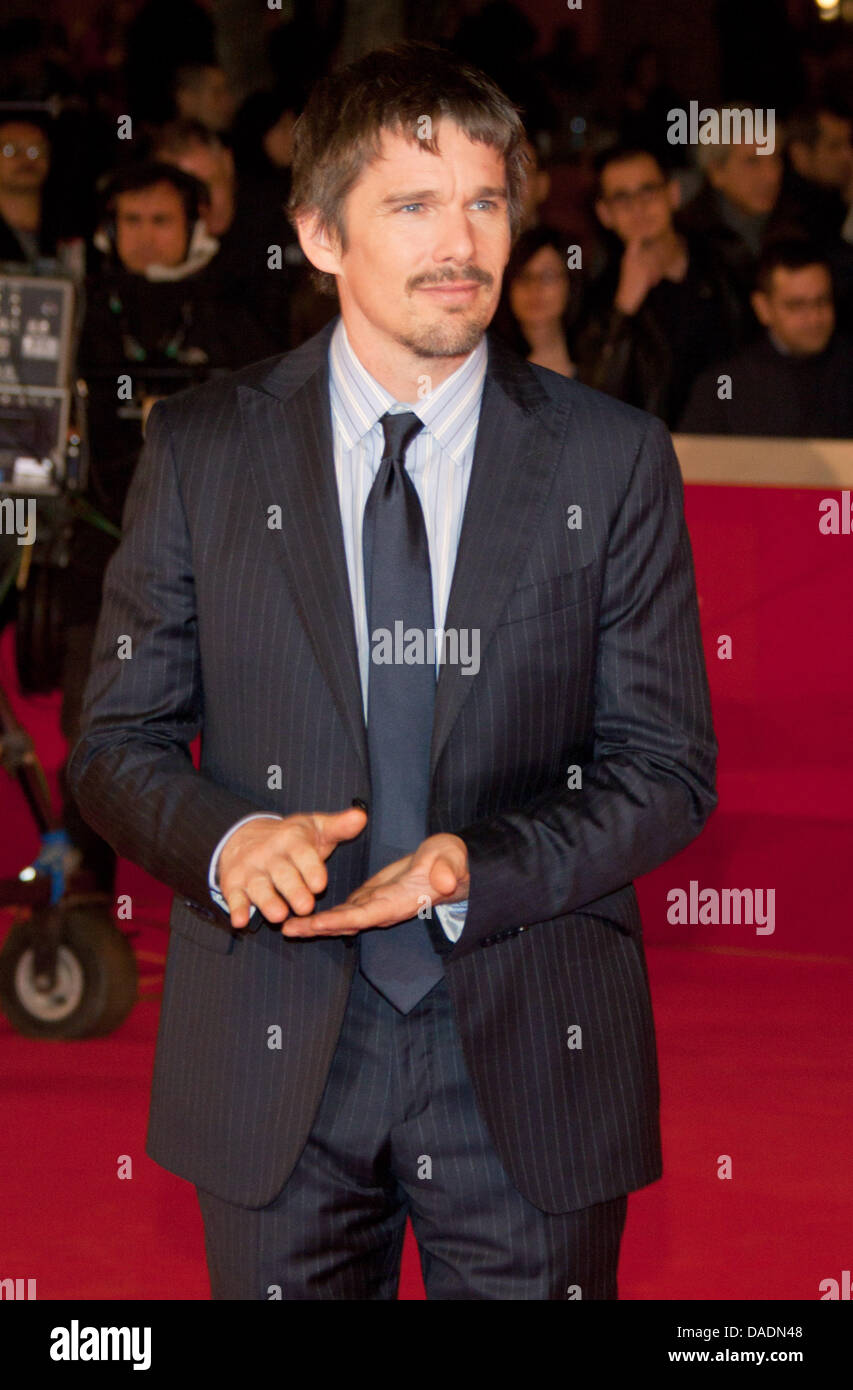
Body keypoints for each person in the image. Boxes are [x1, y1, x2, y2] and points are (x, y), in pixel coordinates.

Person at [69, 41, 718, 1301]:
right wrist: (228, 837)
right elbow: (115, 742)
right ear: (319, 233)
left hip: (528, 1046)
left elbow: (667, 768)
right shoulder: (205, 449)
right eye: (412, 205)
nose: (461, 241)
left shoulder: (610, 459)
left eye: (484, 201)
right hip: (274, 1050)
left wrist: (480, 863)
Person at [59, 160, 277, 894]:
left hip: (219, 550)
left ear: (194, 224)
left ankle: (245, 862)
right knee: (92, 711)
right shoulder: (80, 311)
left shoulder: (235, 312)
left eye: (161, 220)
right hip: (99, 544)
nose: (145, 237)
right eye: (130, 221)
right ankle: (88, 879)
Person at [573, 145, 743, 427]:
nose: (638, 207)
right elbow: (595, 395)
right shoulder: (599, 296)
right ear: (605, 213)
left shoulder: (724, 260)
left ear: (673, 194)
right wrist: (623, 308)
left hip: (739, 438)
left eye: (648, 191)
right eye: (622, 198)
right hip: (656, 448)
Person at [679, 239, 852, 437]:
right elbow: (700, 457)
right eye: (796, 305)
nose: (814, 318)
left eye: (822, 301)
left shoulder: (846, 367)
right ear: (763, 308)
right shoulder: (725, 383)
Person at [679, 105, 784, 322]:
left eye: (775, 159)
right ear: (717, 172)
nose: (771, 176)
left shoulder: (799, 221)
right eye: (752, 162)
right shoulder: (687, 240)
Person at [495, 225, 576, 376]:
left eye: (548, 276)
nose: (534, 288)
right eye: (523, 276)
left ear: (570, 284)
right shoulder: (493, 369)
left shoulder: (599, 362)